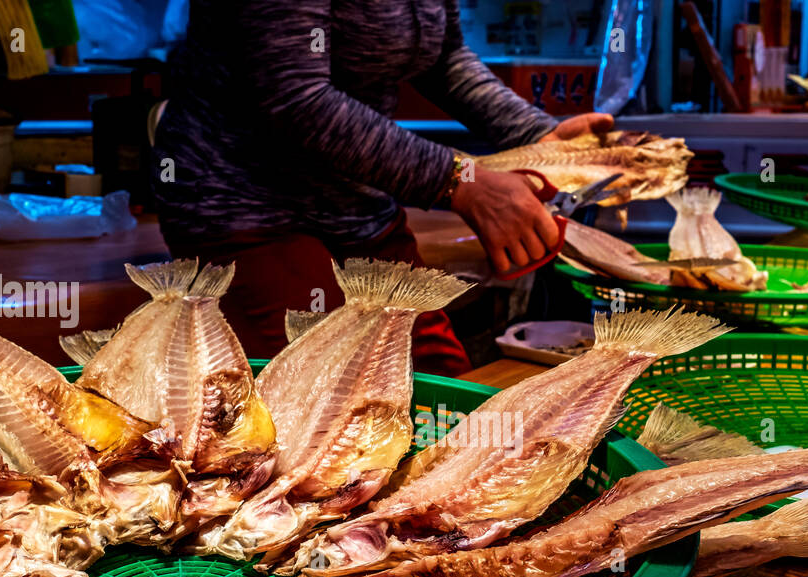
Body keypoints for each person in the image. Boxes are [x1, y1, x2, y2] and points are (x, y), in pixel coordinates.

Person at [151, 1, 614, 376]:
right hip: (247, 206)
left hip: (356, 202)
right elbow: (296, 98)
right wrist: (459, 181)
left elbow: (445, 55)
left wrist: (534, 137)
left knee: (436, 383)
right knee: (318, 406)